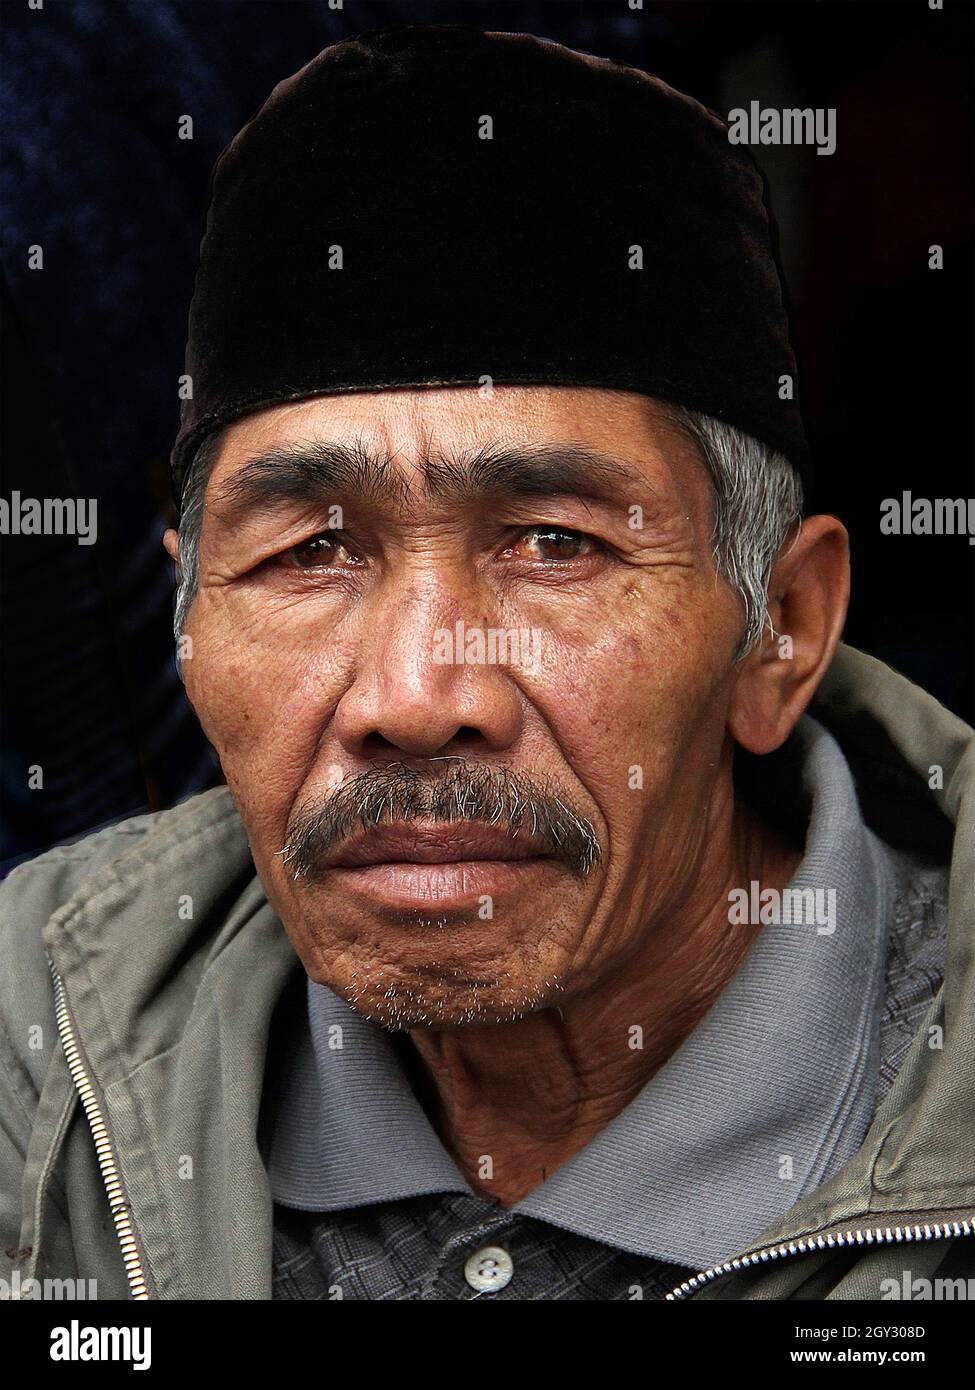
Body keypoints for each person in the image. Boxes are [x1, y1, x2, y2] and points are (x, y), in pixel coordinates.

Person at [2, 25, 972, 1302]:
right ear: (187, 620)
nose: (415, 696)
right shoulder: (34, 1046)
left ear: (780, 628)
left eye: (553, 544)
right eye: (311, 553)